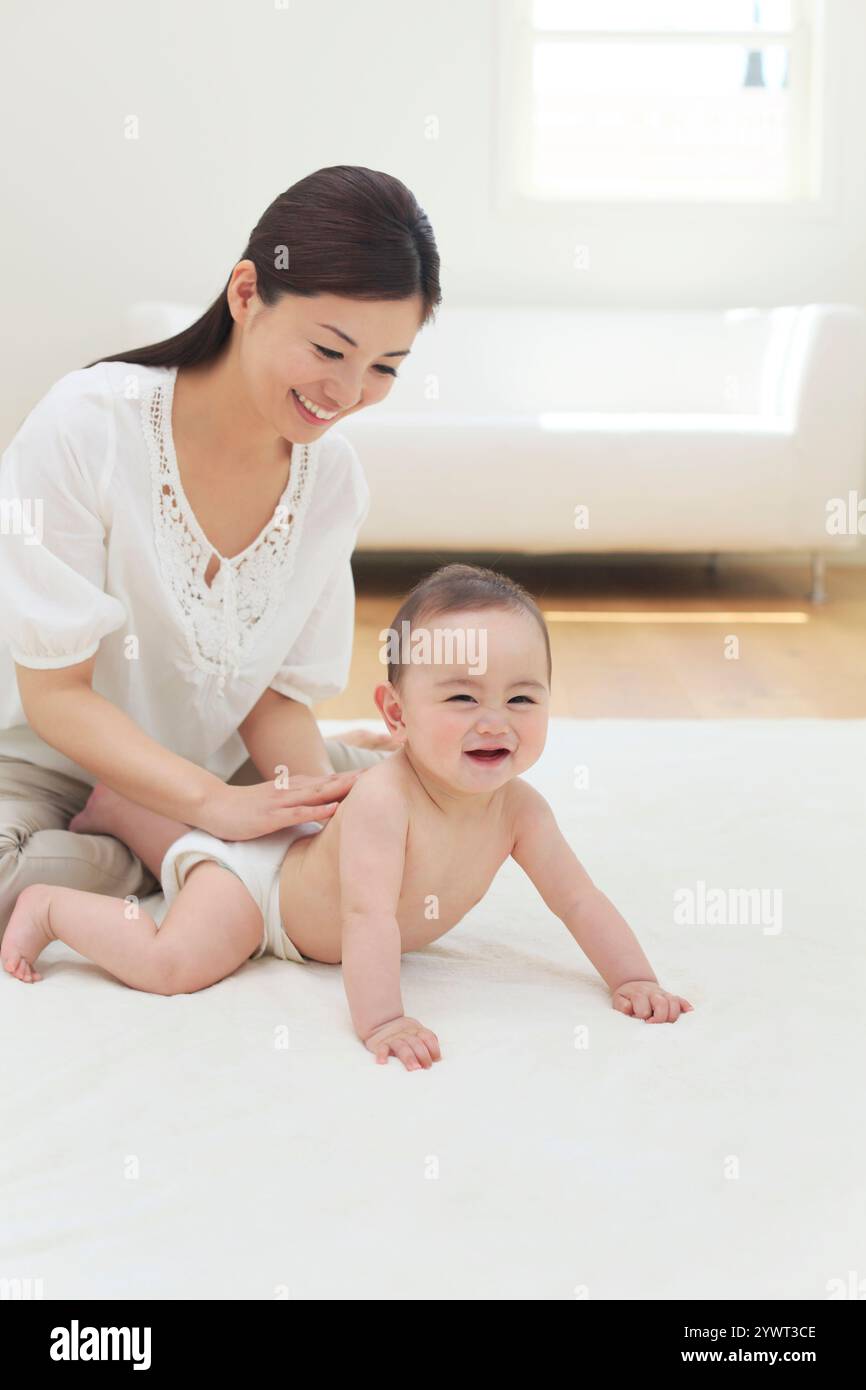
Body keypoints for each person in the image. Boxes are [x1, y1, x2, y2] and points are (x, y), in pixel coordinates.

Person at [2, 564, 694, 1070]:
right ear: (395, 715)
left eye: (522, 699)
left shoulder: (521, 809)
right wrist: (383, 1020)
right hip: (260, 895)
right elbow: (367, 919)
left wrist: (632, 977)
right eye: (461, 699)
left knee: (195, 846)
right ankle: (52, 907)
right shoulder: (384, 802)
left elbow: (578, 898)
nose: (495, 721)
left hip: (296, 852)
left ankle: (125, 809)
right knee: (174, 961)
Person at [0, 165, 441, 938]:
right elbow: (55, 696)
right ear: (246, 294)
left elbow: (274, 697)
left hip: (216, 764)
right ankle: (178, 850)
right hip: (47, 768)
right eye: (330, 349)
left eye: (382, 369)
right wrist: (219, 812)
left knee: (440, 808)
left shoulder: (331, 481)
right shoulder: (88, 425)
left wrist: (310, 819)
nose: (346, 391)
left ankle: (199, 847)